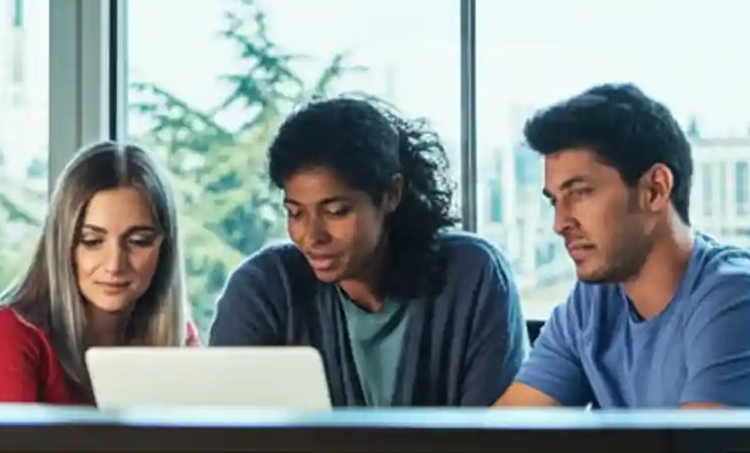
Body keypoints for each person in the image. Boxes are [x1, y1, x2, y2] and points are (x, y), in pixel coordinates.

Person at [494, 83, 750, 410]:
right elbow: (495, 441)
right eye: (555, 200)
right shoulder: (590, 307)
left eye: (580, 193)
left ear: (655, 189)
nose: (560, 222)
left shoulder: (740, 303)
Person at [209, 95, 529, 407]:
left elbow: (492, 437)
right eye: (296, 213)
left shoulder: (472, 275)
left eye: (336, 211)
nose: (311, 236)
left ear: (391, 194)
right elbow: (230, 433)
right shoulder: (263, 288)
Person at [0, 141, 197, 404]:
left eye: (138, 241)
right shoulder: (8, 338)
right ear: (63, 244)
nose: (114, 264)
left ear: (165, 249)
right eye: (92, 241)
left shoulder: (178, 339)